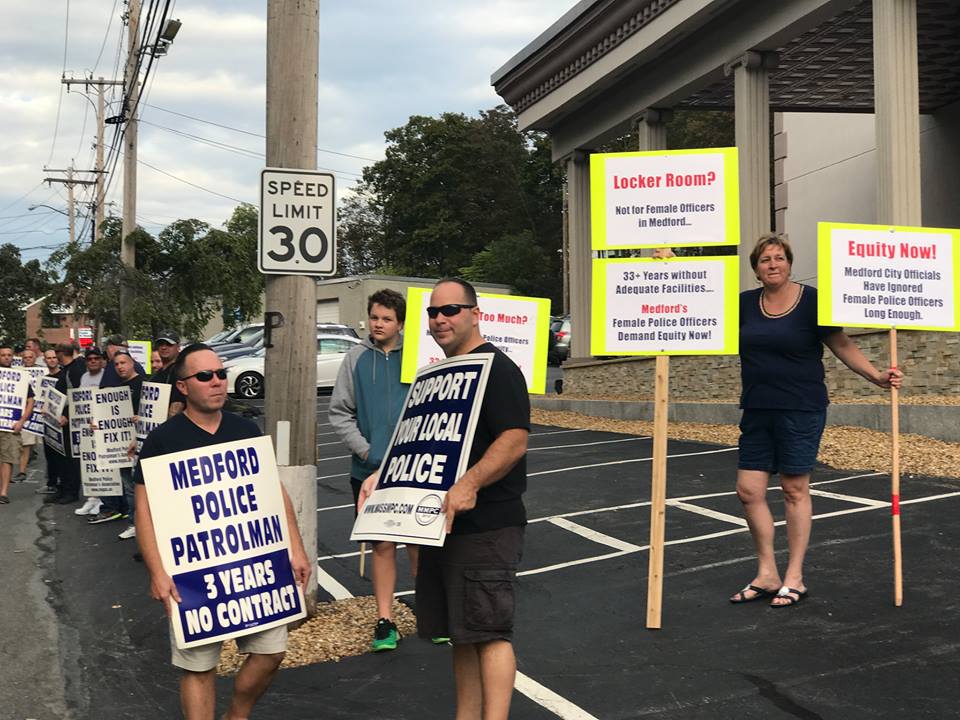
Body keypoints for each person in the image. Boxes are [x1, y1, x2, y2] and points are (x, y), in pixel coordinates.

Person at [359, 278, 529, 720]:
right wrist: (382, 476)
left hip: (487, 526)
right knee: (461, 633)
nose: (440, 319)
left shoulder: (498, 369)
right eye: (433, 312)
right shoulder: (436, 373)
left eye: (451, 310)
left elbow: (514, 439)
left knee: (490, 633)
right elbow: (419, 442)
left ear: (476, 313)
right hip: (439, 526)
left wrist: (470, 483)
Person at [134, 343, 311, 719]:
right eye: (204, 376)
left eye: (220, 374)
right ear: (183, 386)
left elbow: (273, 492)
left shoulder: (245, 429)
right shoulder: (163, 440)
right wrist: (157, 572)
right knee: (198, 667)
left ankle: (237, 713)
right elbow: (144, 510)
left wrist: (295, 547)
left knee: (271, 652)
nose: (216, 382)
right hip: (192, 574)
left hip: (255, 568)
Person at [730, 234, 902, 608]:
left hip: (801, 408)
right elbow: (697, 322)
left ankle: (795, 577)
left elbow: (841, 344)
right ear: (755, 269)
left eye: (779, 258)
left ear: (789, 263)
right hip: (758, 409)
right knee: (748, 490)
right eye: (764, 260)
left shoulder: (812, 302)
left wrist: (876, 376)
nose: (772, 264)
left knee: (794, 489)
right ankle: (767, 573)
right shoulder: (743, 304)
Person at [329, 288, 413, 651]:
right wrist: (368, 452)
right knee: (382, 545)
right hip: (368, 472)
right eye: (374, 317)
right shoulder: (354, 358)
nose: (378, 324)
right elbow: (339, 412)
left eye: (386, 319)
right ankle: (385, 621)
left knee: (422, 543)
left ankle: (433, 612)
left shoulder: (418, 358)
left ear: (401, 323)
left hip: (416, 469)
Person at [88, 350, 144, 530]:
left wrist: (141, 417)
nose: (120, 367)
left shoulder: (144, 384)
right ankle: (133, 525)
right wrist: (97, 424)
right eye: (117, 364)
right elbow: (107, 415)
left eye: (123, 363)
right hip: (121, 445)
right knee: (128, 486)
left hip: (141, 443)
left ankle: (141, 525)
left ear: (132, 363)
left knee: (140, 487)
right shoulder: (115, 387)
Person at [45, 342, 85, 505]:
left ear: (63, 353)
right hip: (61, 422)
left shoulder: (74, 371)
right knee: (62, 457)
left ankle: (71, 491)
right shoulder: (66, 371)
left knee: (70, 458)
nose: (55, 356)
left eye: (57, 353)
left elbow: (77, 396)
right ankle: (63, 487)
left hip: (70, 423)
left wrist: (68, 416)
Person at [0, 344, 36, 504]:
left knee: (7, 458)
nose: (6, 357)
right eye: (3, 355)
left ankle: (4, 492)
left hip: (11, 424)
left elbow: (30, 401)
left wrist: (22, 421)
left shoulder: (20, 376)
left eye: (9, 355)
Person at [37, 348, 64, 496]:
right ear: (45, 360)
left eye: (54, 357)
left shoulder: (63, 377)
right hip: (47, 422)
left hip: (61, 422)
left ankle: (60, 483)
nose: (52, 360)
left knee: (60, 454)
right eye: (49, 358)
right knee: (49, 454)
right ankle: (51, 483)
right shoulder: (44, 379)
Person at [15, 348, 40, 481]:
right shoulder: (16, 372)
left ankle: (22, 471)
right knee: (16, 442)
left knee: (27, 444)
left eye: (30, 357)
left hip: (34, 412)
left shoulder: (42, 372)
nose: (28, 359)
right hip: (17, 410)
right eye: (25, 358)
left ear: (35, 358)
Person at [149, 330, 185, 417]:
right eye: (161, 344)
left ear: (178, 346)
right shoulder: (157, 375)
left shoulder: (180, 371)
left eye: (169, 344)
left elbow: (177, 407)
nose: (164, 347)